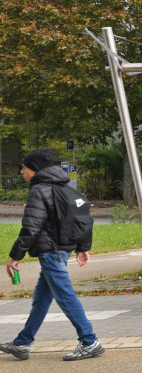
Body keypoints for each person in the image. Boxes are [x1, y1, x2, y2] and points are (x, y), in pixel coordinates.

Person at [1, 148, 103, 361]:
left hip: (50, 252)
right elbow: (85, 219)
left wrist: (15, 257)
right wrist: (82, 247)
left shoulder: (39, 190)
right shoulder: (66, 188)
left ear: (35, 169)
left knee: (65, 296)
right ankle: (22, 343)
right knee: (41, 300)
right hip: (61, 251)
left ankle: (89, 341)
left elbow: (31, 226)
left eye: (24, 168)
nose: (22, 172)